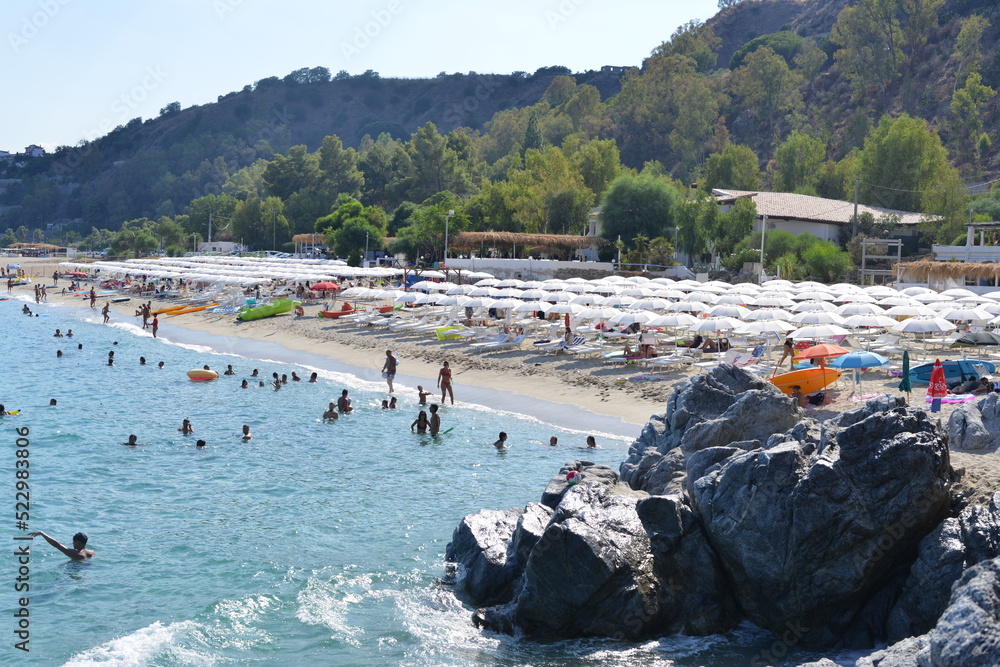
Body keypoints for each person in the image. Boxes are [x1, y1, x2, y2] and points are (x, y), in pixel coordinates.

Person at [26, 531, 94, 561]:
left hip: (75, 571)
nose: (72, 543)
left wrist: (42, 533)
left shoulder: (76, 554)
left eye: (74, 542)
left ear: (78, 542)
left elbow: (57, 545)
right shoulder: (92, 552)